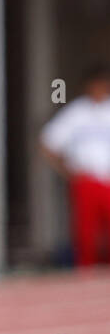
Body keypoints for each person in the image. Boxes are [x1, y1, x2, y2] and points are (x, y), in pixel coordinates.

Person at [41, 63, 110, 266]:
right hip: (86, 180)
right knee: (86, 232)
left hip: (107, 179)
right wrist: (67, 171)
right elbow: (48, 141)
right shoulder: (77, 112)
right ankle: (86, 271)